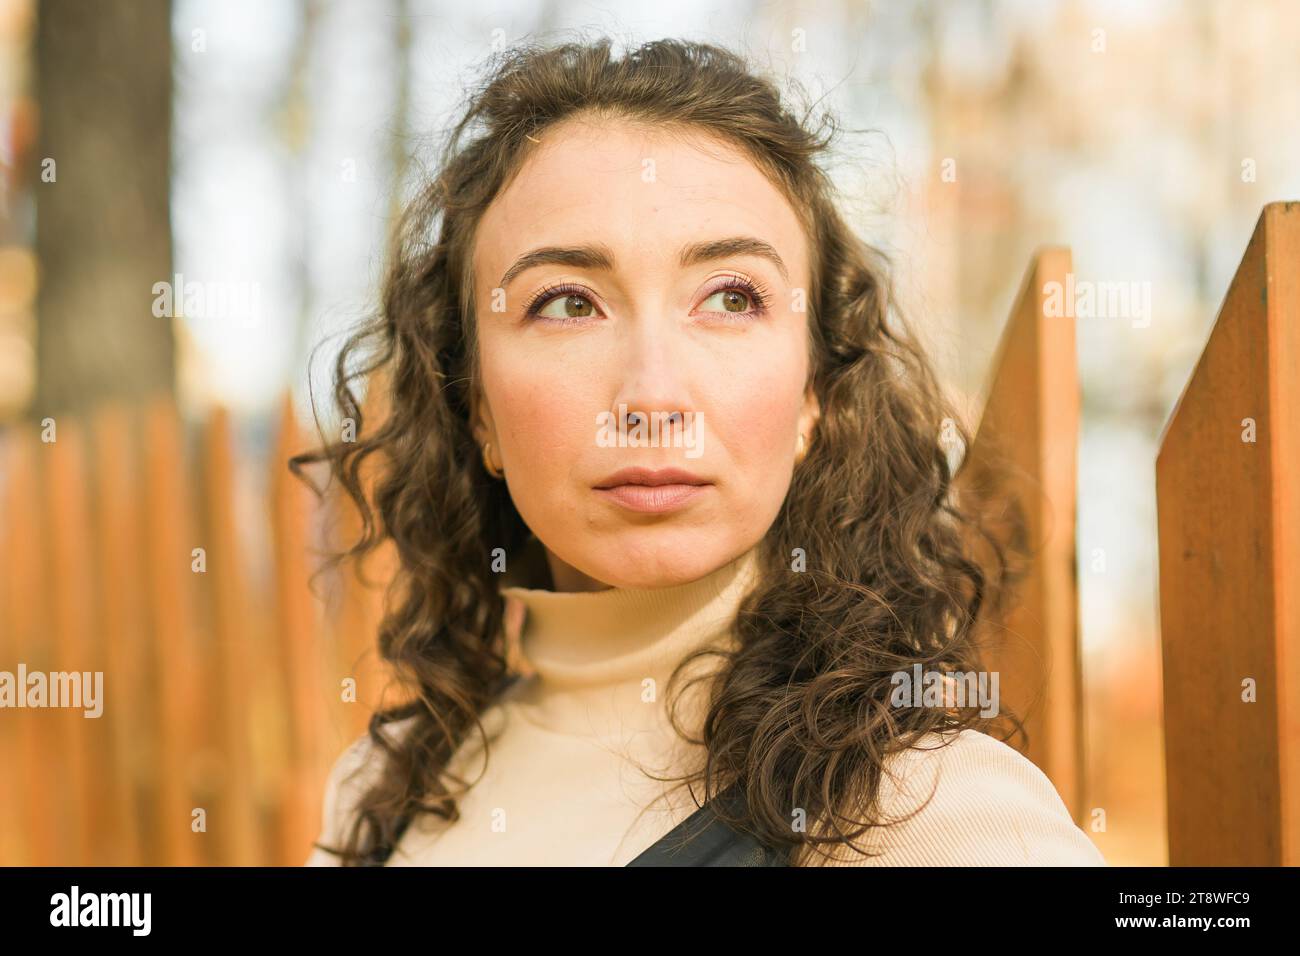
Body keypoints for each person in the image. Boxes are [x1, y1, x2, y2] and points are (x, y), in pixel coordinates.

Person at [293, 35, 1106, 867]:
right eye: (568, 304)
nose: (652, 396)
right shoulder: (385, 788)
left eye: (730, 297)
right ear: (477, 412)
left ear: (814, 394)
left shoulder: (925, 813)